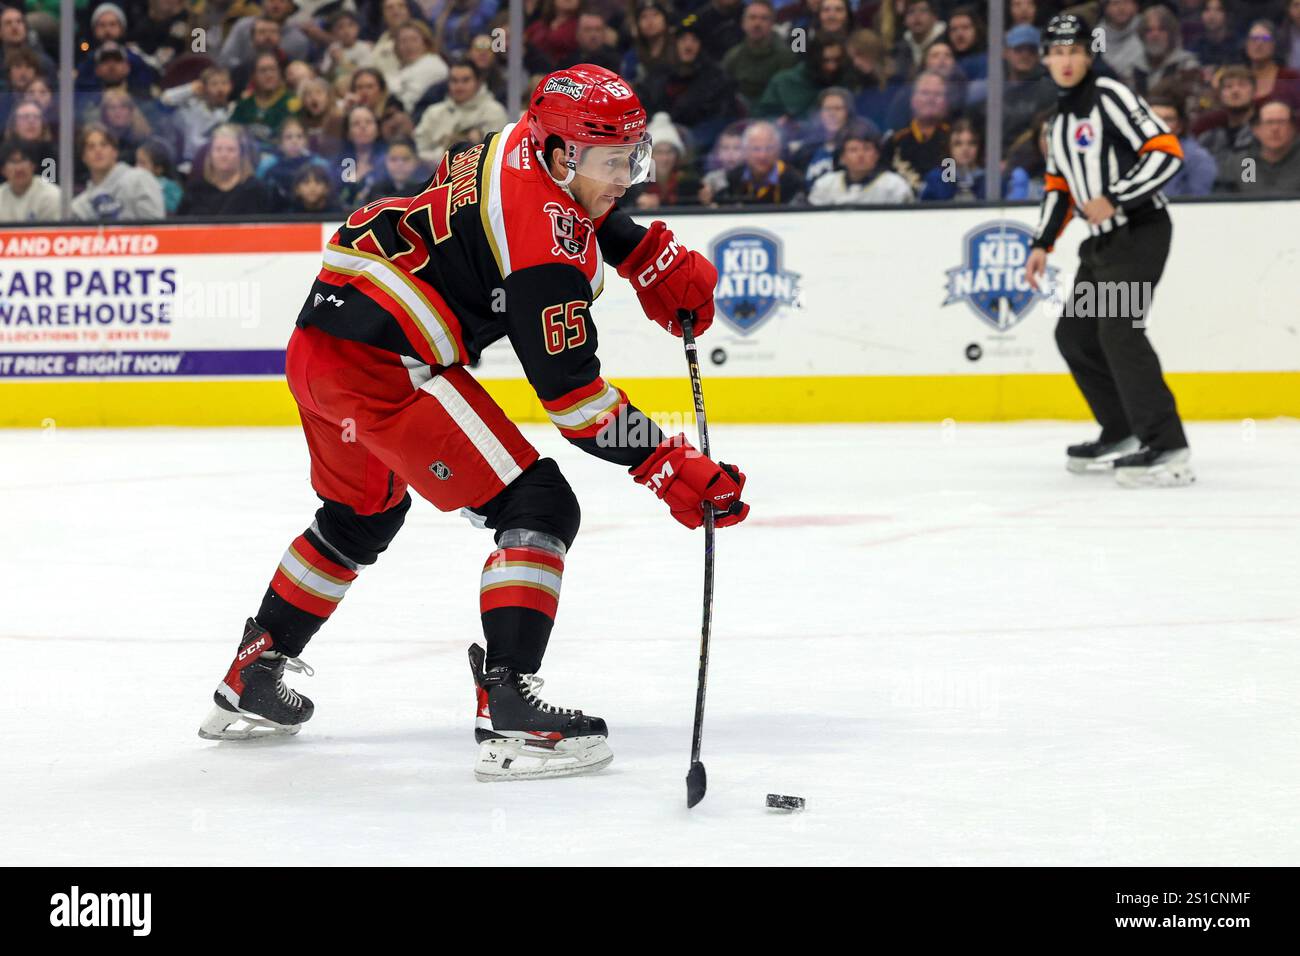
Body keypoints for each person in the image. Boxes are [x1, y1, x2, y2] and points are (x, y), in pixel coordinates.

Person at [196, 64, 748, 785]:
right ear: (563, 155)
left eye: (631, 158)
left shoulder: (514, 139)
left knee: (360, 515)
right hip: (387, 364)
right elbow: (576, 403)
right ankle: (510, 707)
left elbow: (559, 207)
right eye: (614, 162)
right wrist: (665, 464)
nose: (627, 179)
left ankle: (253, 673)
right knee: (539, 505)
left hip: (319, 344)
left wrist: (641, 251)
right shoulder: (544, 256)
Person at [1025, 15, 1193, 488]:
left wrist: (1116, 196)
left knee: (1120, 330)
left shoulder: (1111, 96)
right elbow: (1059, 187)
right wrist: (1041, 243)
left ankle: (1167, 444)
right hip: (1102, 242)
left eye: (1074, 52)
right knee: (1076, 336)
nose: (1065, 61)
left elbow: (1165, 150)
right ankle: (1120, 430)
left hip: (1139, 231)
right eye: (1057, 53)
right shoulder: (1058, 120)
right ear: (1046, 59)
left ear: (1088, 55)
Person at [413, 59, 508, 166]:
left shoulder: (494, 112)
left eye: (465, 80)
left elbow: (497, 155)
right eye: (454, 81)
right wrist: (442, 153)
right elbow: (417, 152)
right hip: (434, 171)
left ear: (478, 82)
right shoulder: (433, 112)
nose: (459, 86)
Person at [71, 124, 166, 221]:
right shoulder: (79, 206)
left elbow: (155, 225)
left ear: (115, 152)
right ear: (83, 157)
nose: (98, 150)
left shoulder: (139, 179)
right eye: (91, 147)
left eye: (104, 145)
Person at [178, 123, 272, 215]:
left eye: (231, 150)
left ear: (242, 155)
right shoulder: (196, 188)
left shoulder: (256, 190)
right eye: (218, 149)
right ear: (210, 154)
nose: (223, 155)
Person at [722, 0, 797, 112]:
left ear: (772, 24)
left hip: (773, 113)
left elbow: (787, 96)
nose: (757, 24)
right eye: (752, 18)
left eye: (764, 18)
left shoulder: (786, 56)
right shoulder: (733, 56)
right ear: (743, 24)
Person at [706, 119, 805, 203]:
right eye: (756, 149)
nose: (762, 155)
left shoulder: (794, 182)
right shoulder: (731, 179)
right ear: (745, 151)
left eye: (769, 148)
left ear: (778, 151)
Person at [808, 127, 913, 204]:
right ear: (842, 157)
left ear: (877, 155)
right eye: (853, 150)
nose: (861, 155)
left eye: (867, 149)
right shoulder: (825, 184)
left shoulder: (894, 185)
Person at [1217, 98, 1300, 194]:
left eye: (1281, 122)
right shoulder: (1241, 163)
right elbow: (1221, 199)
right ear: (1255, 129)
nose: (1275, 128)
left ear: (1293, 128)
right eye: (1269, 122)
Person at [1147, 93, 1216, 195]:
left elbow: (1199, 201)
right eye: (1154, 118)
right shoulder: (1129, 152)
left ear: (1179, 126)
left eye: (1168, 119)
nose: (1160, 124)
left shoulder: (1197, 158)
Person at [0, 139, 62, 222]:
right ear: (2, 169)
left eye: (23, 160)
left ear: (33, 165)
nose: (19, 168)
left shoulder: (51, 194)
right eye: (13, 161)